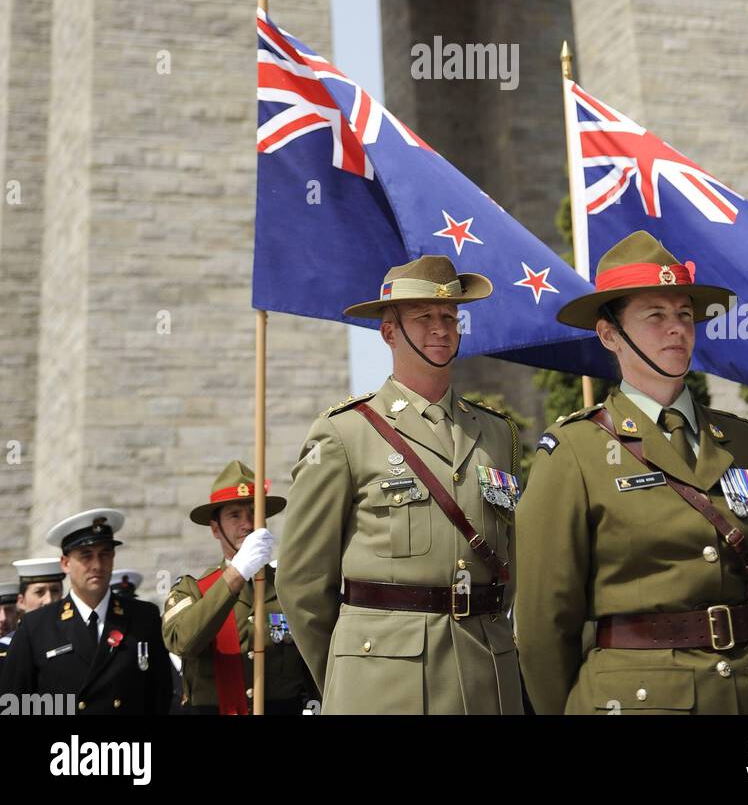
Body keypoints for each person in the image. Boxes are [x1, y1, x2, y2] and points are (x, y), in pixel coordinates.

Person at [516, 231, 748, 715]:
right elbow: (545, 623)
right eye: (656, 316)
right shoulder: (573, 451)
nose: (677, 329)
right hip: (638, 701)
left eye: (684, 315)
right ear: (610, 335)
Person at [276, 254, 524, 715]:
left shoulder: (496, 434)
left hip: (486, 678)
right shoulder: (345, 433)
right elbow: (302, 581)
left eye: (450, 316)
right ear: (389, 332)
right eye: (424, 317)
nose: (441, 328)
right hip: (384, 685)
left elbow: (514, 561)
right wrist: (349, 673)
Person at [161, 460, 315, 714]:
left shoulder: (290, 586)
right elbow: (183, 641)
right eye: (234, 515)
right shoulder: (192, 591)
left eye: (254, 513)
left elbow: (316, 660)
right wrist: (237, 573)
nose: (247, 524)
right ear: (215, 529)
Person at [0, 509, 172, 715]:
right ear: (65, 563)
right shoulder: (37, 626)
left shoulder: (143, 618)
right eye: (86, 556)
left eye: (104, 554)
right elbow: (13, 704)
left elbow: (161, 697)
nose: (97, 565)